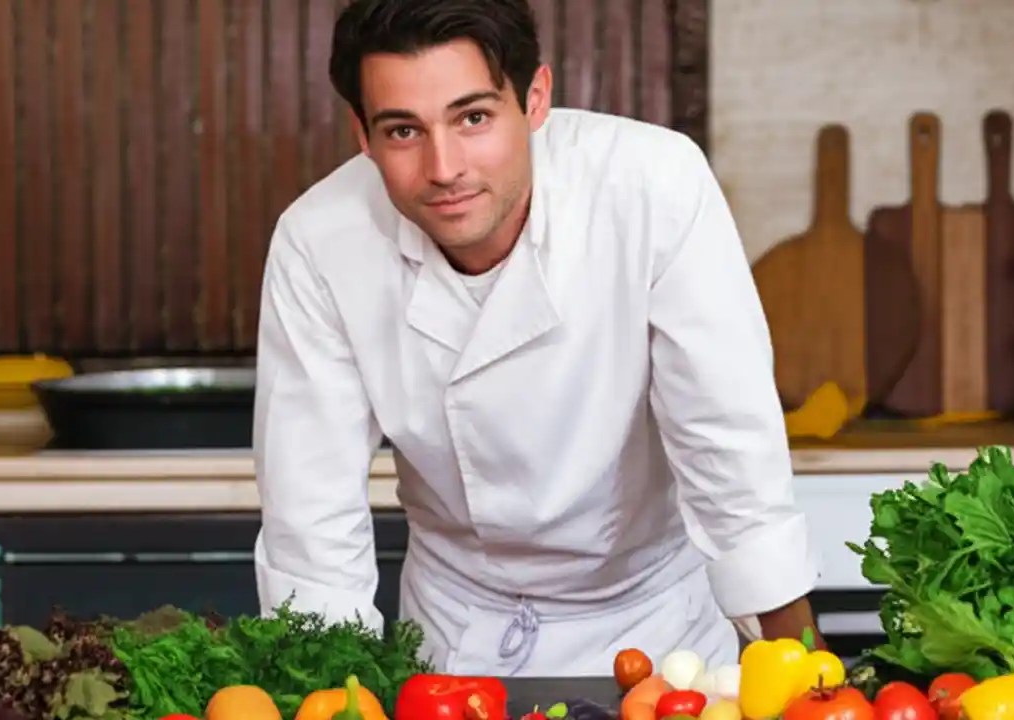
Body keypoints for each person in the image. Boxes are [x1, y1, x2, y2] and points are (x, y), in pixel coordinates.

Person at [252, 0, 822, 677]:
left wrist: (809, 677)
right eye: (403, 131)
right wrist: (324, 690)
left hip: (663, 633)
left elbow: (726, 443)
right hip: (455, 637)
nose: (444, 167)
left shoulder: (652, 184)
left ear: (536, 98)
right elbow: (311, 520)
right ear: (362, 133)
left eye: (473, 118)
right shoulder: (319, 241)